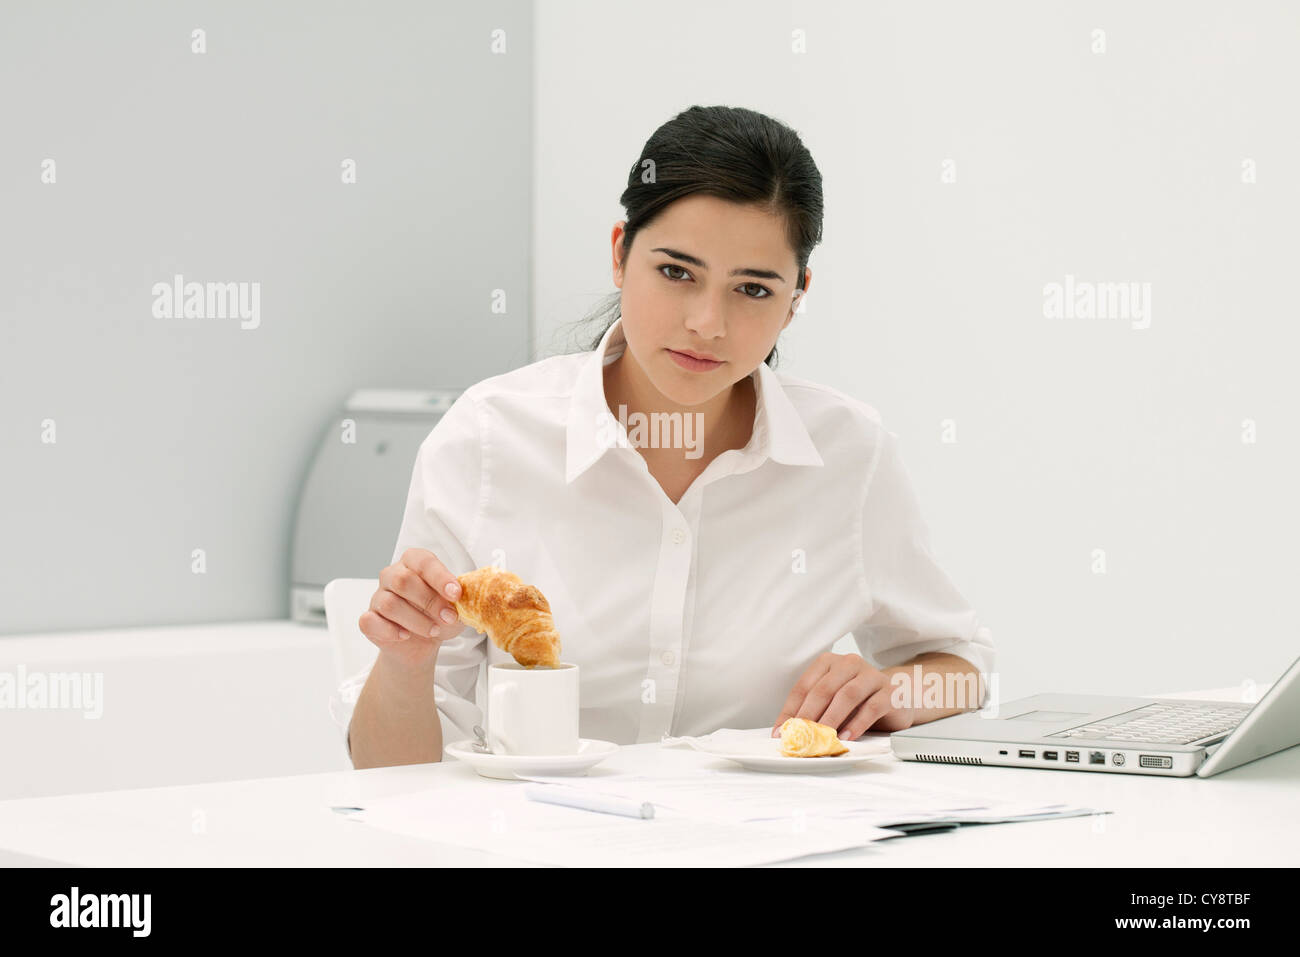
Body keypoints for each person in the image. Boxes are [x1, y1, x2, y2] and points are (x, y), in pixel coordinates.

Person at [342, 105, 995, 769]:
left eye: (753, 288)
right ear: (621, 253)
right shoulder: (485, 440)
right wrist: (404, 660)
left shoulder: (850, 453)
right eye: (677, 272)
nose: (708, 322)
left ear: (797, 297)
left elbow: (964, 666)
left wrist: (894, 689)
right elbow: (386, 774)